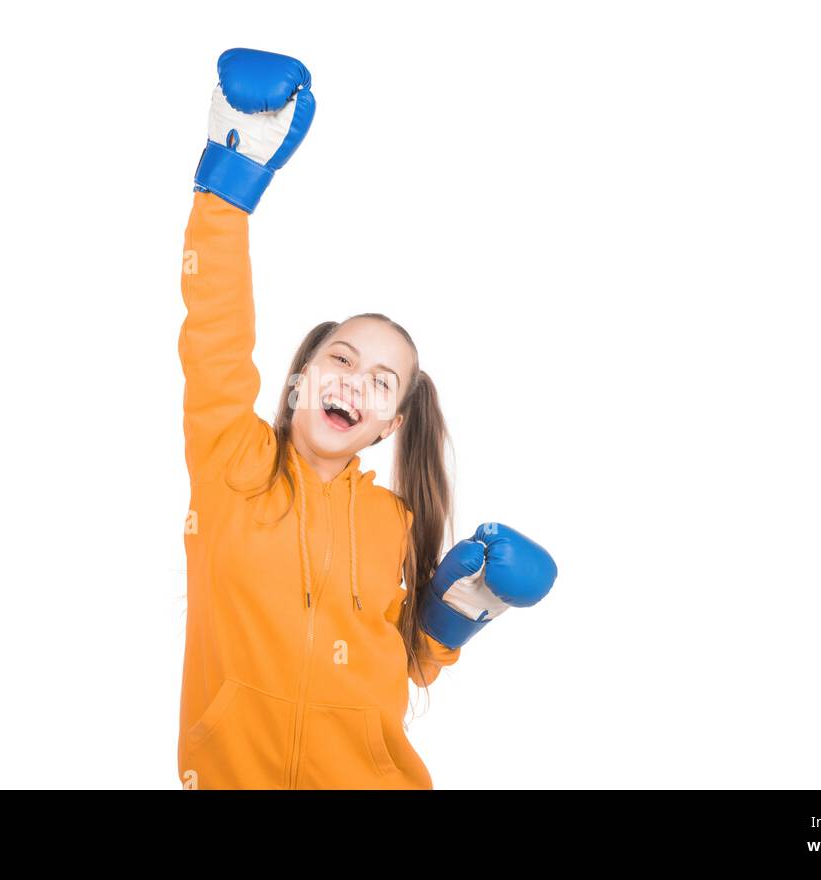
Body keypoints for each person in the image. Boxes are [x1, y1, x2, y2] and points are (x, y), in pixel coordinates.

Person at [176, 48, 557, 790]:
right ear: (300, 382)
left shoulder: (394, 520)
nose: (356, 382)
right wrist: (232, 178)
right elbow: (213, 326)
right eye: (342, 360)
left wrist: (459, 615)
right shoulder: (232, 461)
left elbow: (408, 661)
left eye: (383, 381)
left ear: (387, 426)